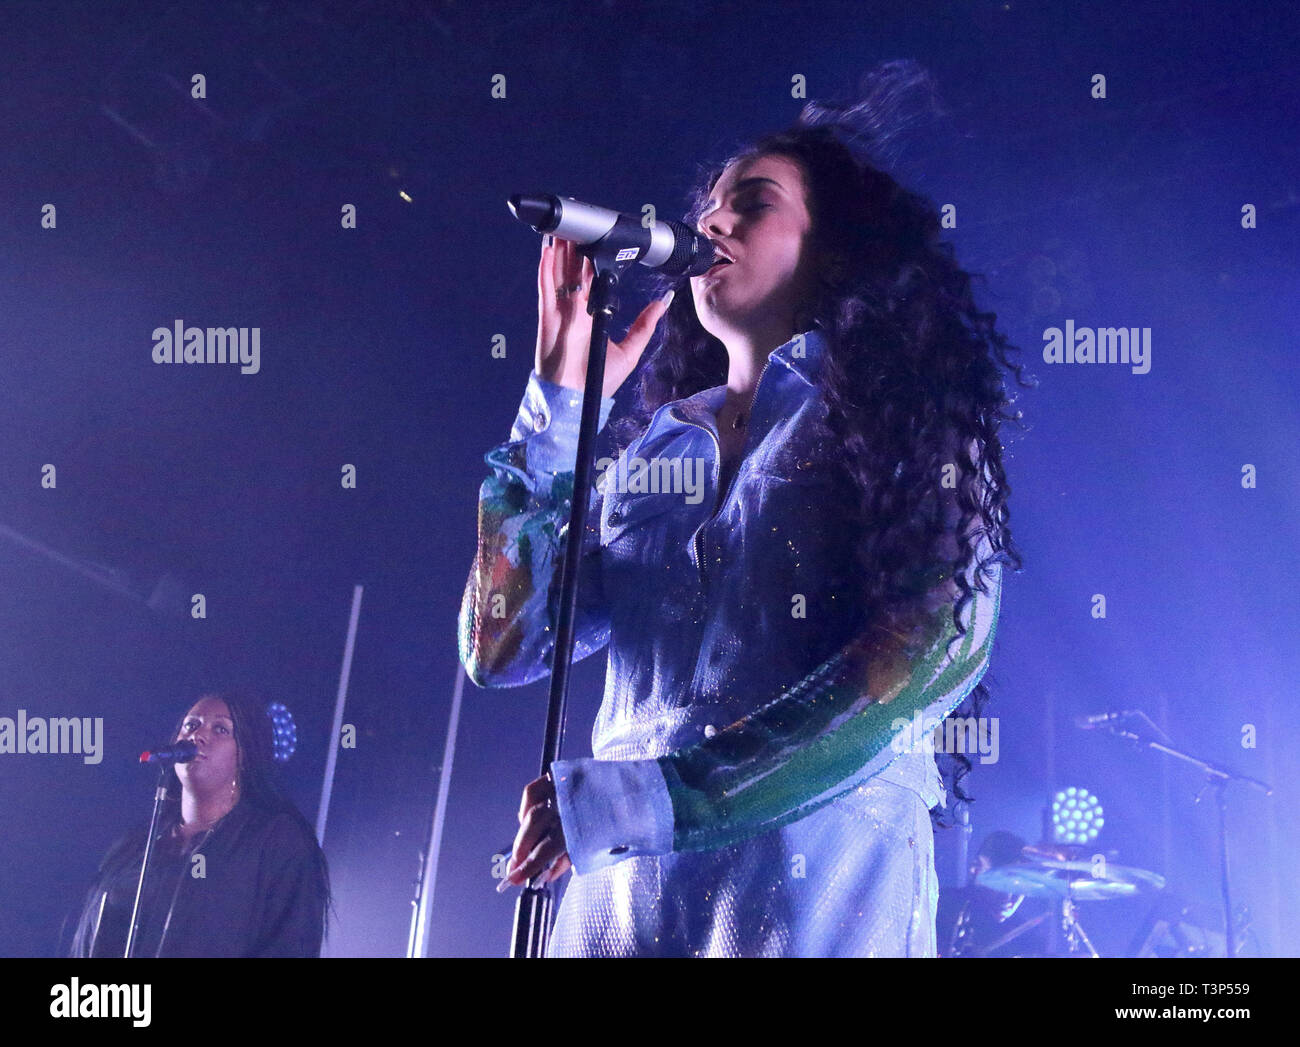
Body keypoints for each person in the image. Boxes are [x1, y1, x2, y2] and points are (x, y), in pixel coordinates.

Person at [459, 60, 1029, 956]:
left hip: (818, 900)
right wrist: (555, 412)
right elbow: (502, 647)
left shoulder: (901, 416)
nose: (711, 220)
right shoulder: (653, 449)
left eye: (753, 202)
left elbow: (929, 651)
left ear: (830, 249)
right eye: (711, 204)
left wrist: (654, 800)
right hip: (621, 912)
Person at [69, 690, 330, 957]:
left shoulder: (276, 841)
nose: (198, 736)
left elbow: (291, 944)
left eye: (220, 729)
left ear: (246, 755)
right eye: (191, 725)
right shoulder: (137, 846)